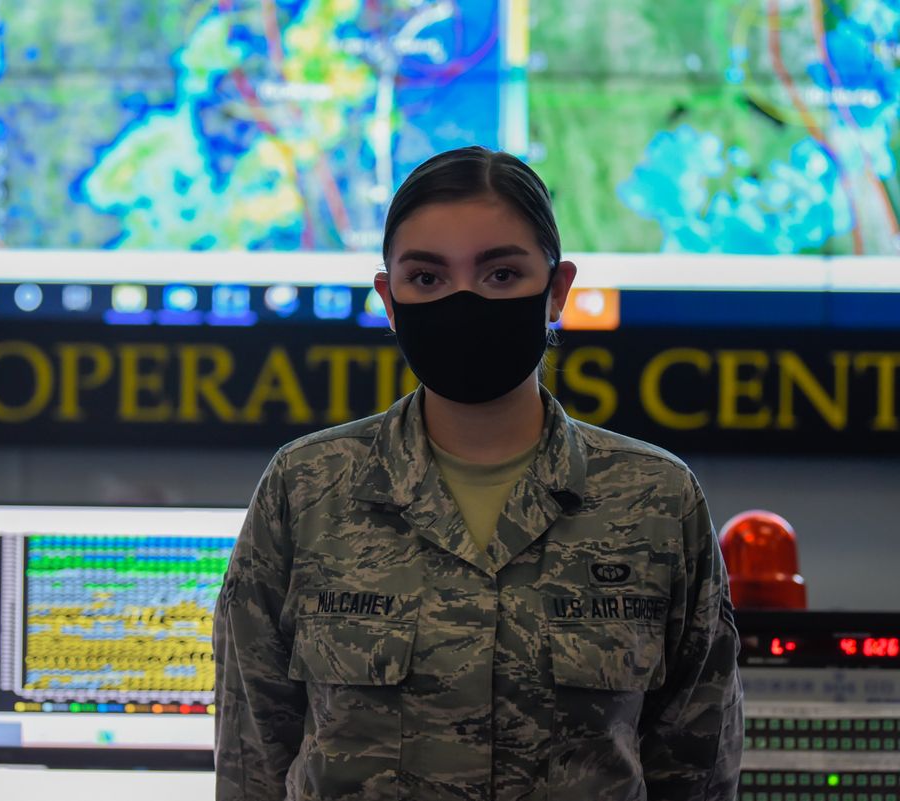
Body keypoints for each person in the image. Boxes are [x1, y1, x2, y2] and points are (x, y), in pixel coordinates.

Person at [213, 146, 743, 801]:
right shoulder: (306, 490)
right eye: (428, 279)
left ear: (556, 290)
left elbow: (696, 770)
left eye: (499, 274)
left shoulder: (656, 500)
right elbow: (252, 761)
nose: (463, 302)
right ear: (389, 297)